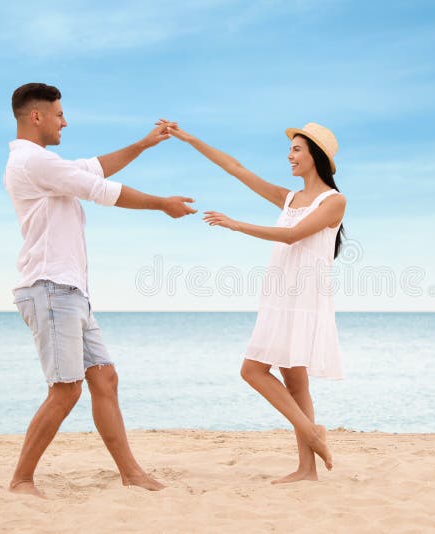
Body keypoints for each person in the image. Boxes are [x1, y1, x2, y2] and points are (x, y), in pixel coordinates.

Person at [4, 83, 196, 497]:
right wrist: (162, 203)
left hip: (68, 290)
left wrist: (144, 145)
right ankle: (21, 480)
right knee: (66, 389)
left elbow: (95, 168)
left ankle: (131, 473)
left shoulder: (45, 163)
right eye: (58, 114)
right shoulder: (33, 162)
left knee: (104, 378)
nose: (64, 121)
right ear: (35, 116)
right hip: (50, 288)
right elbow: (101, 190)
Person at [161, 119, 346, 483]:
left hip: (303, 298)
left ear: (315, 156)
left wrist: (236, 224)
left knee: (252, 370)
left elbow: (293, 235)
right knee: (295, 384)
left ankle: (311, 433)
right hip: (279, 295)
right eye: (291, 148)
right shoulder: (289, 198)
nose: (289, 155)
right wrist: (189, 138)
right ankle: (307, 468)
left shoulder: (334, 201)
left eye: (296, 149)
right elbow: (235, 168)